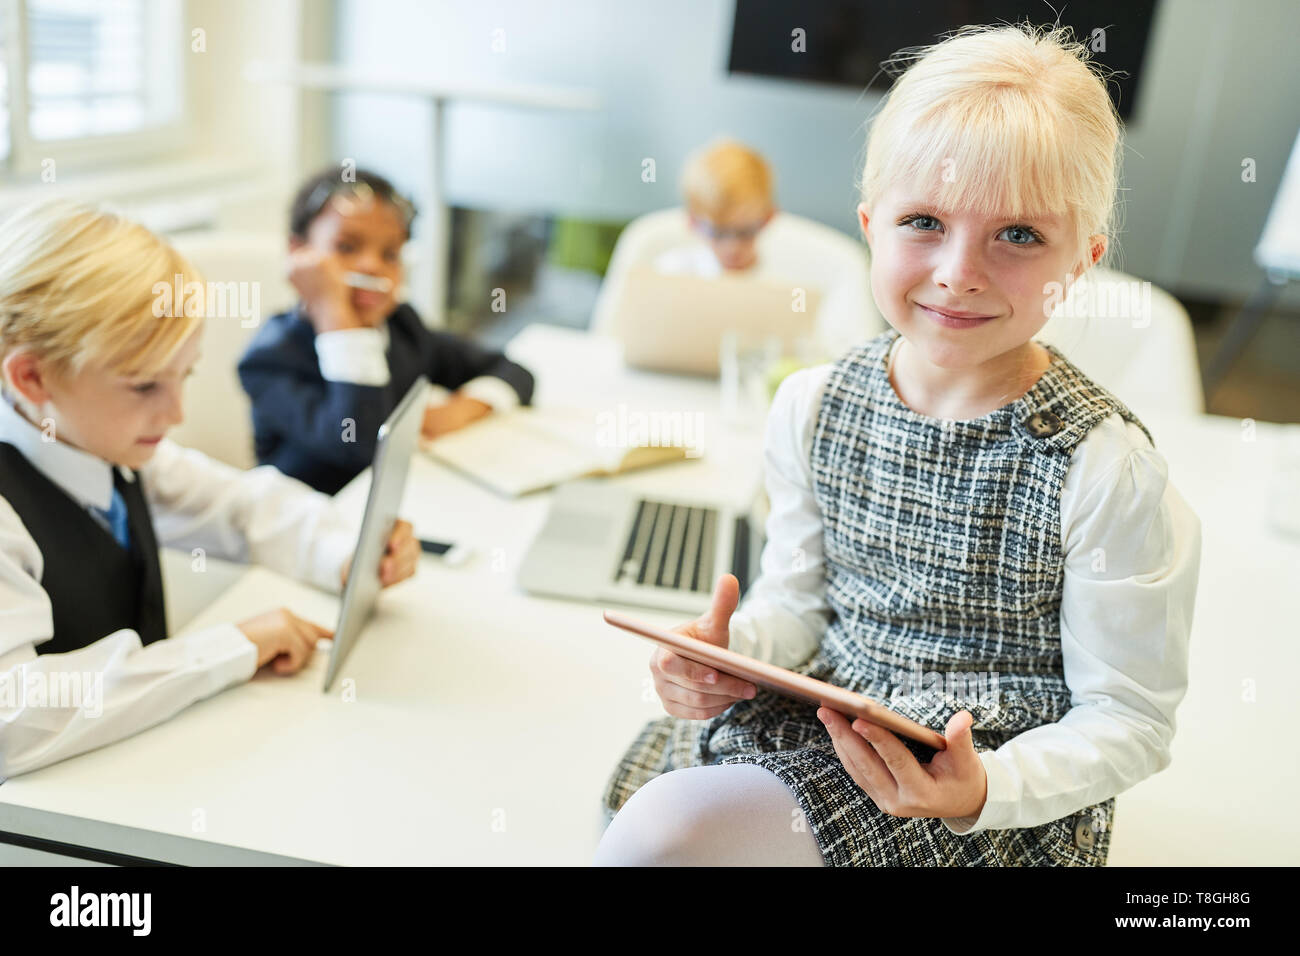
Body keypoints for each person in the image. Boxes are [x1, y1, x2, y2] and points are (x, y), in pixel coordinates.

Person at [595, 22, 1202, 866]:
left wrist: (984, 788)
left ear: (1082, 261)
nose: (958, 271)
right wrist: (733, 656)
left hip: (988, 786)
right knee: (648, 813)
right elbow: (798, 605)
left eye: (1019, 235)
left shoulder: (1104, 468)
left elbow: (1129, 720)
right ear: (870, 226)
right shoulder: (813, 404)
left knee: (670, 833)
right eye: (923, 221)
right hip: (827, 717)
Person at [0, 199, 419, 779]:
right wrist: (230, 647)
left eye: (184, 376)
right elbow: (14, 716)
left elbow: (238, 506)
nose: (176, 413)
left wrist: (346, 549)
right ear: (32, 377)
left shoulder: (102, 444)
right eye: (144, 386)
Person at [238, 166, 536, 495]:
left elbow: (514, 371)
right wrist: (336, 317)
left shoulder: (402, 326)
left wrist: (461, 410)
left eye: (390, 254)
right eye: (346, 247)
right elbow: (362, 446)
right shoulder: (270, 360)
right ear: (299, 253)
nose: (372, 266)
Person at [655, 137, 776, 276]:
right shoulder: (671, 271)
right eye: (717, 233)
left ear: (768, 219)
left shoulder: (784, 278)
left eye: (745, 232)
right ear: (693, 222)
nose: (732, 247)